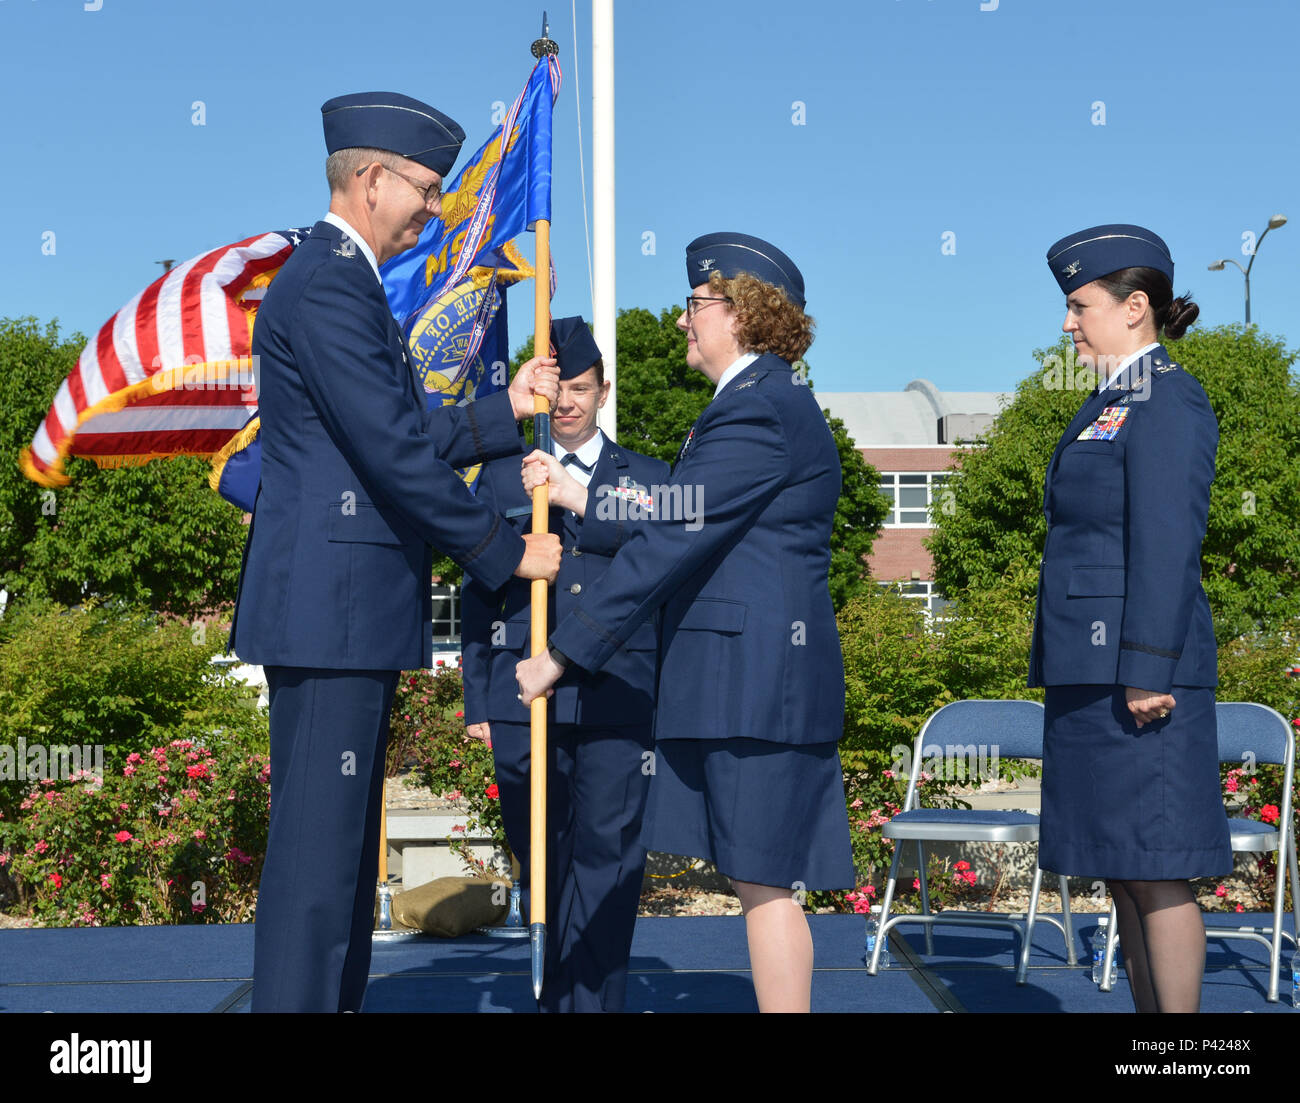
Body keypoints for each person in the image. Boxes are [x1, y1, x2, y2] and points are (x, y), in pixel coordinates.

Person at [229, 91, 562, 1013]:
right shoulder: (330, 282)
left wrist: (509, 408)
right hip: (331, 612)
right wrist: (505, 550)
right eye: (425, 188)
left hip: (347, 612)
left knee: (338, 860)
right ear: (371, 179)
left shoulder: (347, 283)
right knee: (315, 870)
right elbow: (393, 453)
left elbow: (408, 425)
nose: (434, 207)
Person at [516, 234, 854, 1013]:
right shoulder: (752, 404)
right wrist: (581, 499)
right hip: (750, 677)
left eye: (697, 304)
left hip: (757, 680)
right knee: (757, 876)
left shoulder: (756, 408)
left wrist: (564, 653)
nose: (681, 321)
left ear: (742, 313)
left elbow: (674, 528)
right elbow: (683, 504)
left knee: (764, 880)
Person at [1032, 223, 1231, 1013]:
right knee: (1121, 866)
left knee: (1157, 867)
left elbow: (1166, 539)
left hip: (1140, 676)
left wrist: (1148, 665)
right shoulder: (1113, 398)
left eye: (1080, 305)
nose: (1069, 323)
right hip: (1091, 671)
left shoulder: (1167, 397)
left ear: (1136, 306)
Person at [460, 316, 669, 1013]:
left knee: (608, 863)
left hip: (617, 693)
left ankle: (596, 1007)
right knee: (541, 861)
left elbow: (672, 534)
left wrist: (578, 495)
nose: (570, 402)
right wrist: (477, 701)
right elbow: (475, 590)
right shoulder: (499, 477)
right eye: (560, 389)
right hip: (524, 700)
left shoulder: (648, 478)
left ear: (604, 390)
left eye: (583, 387)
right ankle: (553, 1004)